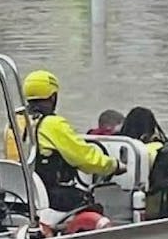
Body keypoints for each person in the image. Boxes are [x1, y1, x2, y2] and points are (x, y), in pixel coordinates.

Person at [16, 70, 124, 212]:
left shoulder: (15, 122)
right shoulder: (52, 124)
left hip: (20, 194)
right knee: (89, 204)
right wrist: (114, 165)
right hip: (48, 194)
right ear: (53, 97)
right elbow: (84, 158)